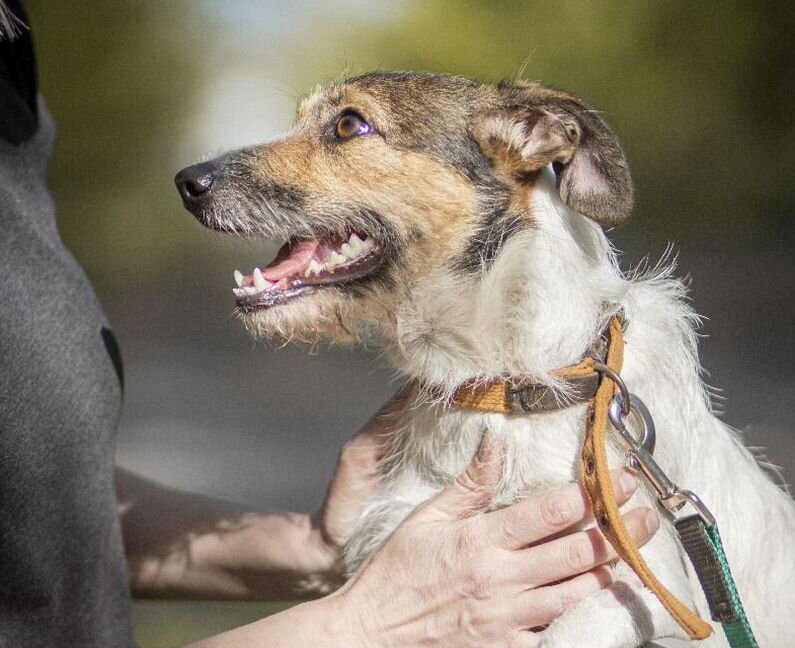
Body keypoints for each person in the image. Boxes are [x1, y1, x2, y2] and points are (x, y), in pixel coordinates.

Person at [0, 3, 658, 647]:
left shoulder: (15, 77)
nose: (223, 171)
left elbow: (36, 516)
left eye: (347, 127)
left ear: (532, 140)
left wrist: (314, 544)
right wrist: (364, 624)